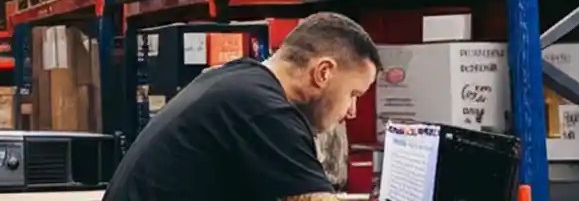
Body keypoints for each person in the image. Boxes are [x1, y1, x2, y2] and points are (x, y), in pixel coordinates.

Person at [101, 12, 381, 201]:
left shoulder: (239, 80)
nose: (352, 110)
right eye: (353, 93)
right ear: (323, 72)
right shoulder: (265, 111)